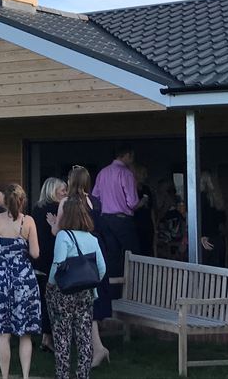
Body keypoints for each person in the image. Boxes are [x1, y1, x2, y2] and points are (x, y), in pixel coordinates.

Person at [50, 166, 111, 367]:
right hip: (95, 251)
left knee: (75, 302)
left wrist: (53, 223)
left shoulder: (66, 202)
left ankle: (93, 349)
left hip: (75, 253)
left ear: (72, 181)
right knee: (91, 299)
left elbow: (58, 230)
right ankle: (95, 348)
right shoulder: (95, 202)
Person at [0, 184, 41, 379]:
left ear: (5, 201)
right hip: (23, 280)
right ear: (22, 201)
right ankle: (25, 376)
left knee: (3, 334)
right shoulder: (28, 221)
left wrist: (0, 252)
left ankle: (5, 376)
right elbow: (35, 253)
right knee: (25, 333)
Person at [91, 143, 143, 285]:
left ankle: (113, 288)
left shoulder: (103, 172)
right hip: (122, 218)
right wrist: (142, 202)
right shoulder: (126, 173)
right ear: (127, 155)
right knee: (132, 253)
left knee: (112, 254)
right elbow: (132, 202)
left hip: (105, 219)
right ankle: (133, 286)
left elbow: (95, 196)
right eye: (132, 156)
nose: (132, 159)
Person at [31, 177, 67, 353]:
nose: (65, 193)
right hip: (53, 258)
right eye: (63, 190)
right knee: (53, 300)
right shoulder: (57, 209)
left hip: (37, 258)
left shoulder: (36, 209)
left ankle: (44, 335)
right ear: (53, 191)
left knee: (42, 299)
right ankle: (49, 336)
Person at [200, 172, 226, 266]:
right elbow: (221, 220)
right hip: (217, 238)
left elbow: (204, 219)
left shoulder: (200, 199)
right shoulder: (218, 199)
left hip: (206, 240)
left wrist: (202, 235)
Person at [132, 164, 155, 257]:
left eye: (146, 173)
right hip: (135, 224)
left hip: (147, 224)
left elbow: (151, 209)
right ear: (136, 174)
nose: (145, 176)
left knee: (148, 249)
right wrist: (140, 203)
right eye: (143, 173)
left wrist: (154, 226)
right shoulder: (131, 189)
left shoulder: (146, 189)